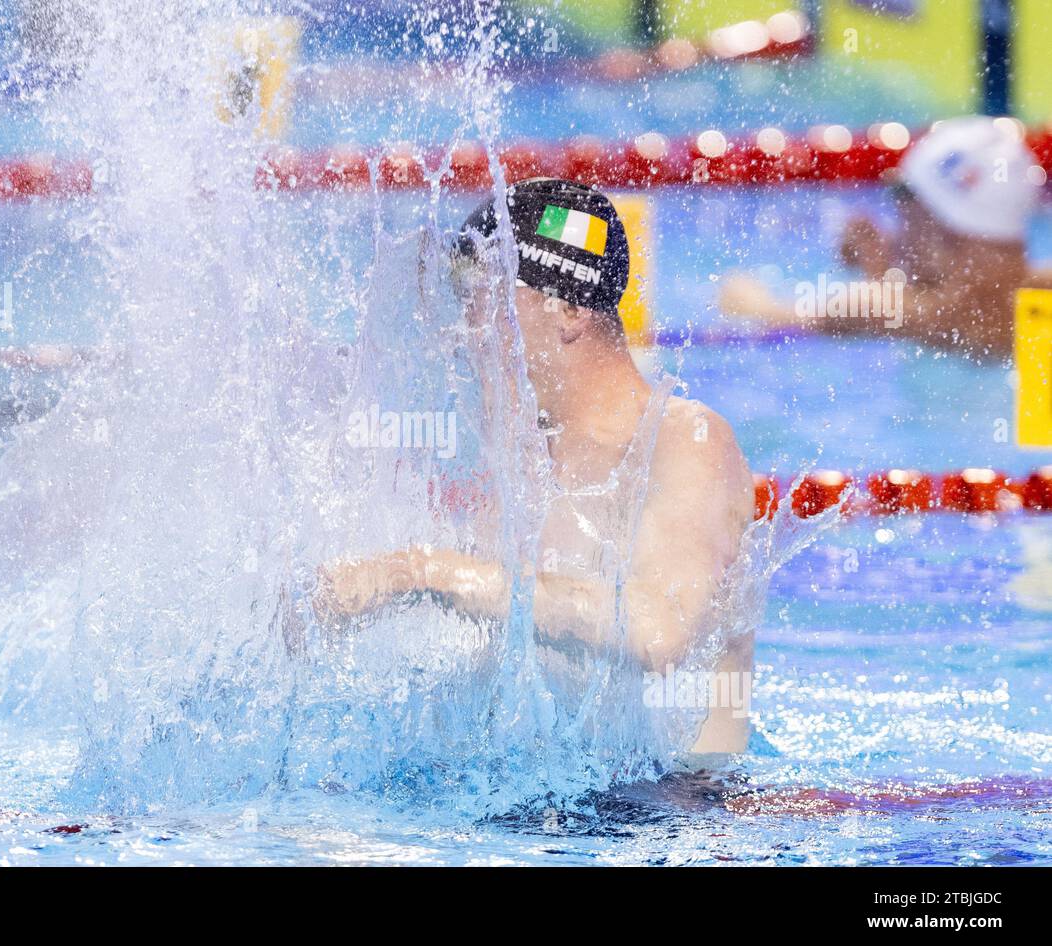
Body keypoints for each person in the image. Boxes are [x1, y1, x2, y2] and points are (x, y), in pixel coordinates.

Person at [317, 178, 755, 754]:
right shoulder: (521, 463)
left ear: (568, 308)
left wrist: (423, 573)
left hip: (669, 820)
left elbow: (658, 630)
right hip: (538, 817)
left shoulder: (686, 440)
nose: (464, 332)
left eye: (481, 300)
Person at [719, 115, 1051, 358]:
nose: (898, 219)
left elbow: (745, 307)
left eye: (903, 196)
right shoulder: (1042, 287)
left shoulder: (881, 308)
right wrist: (883, 268)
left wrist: (879, 281)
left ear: (938, 221)